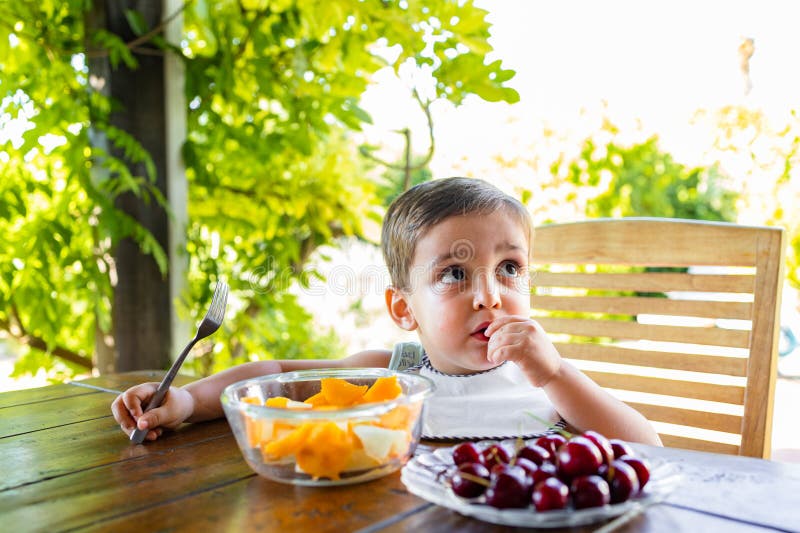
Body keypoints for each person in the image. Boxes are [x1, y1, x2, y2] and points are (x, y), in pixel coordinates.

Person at [112, 177, 662, 446]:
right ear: (404, 308)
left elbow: (648, 449)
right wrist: (186, 399)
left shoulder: (544, 380)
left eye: (510, 268)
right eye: (453, 274)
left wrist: (558, 373)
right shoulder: (393, 371)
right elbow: (280, 378)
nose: (490, 296)